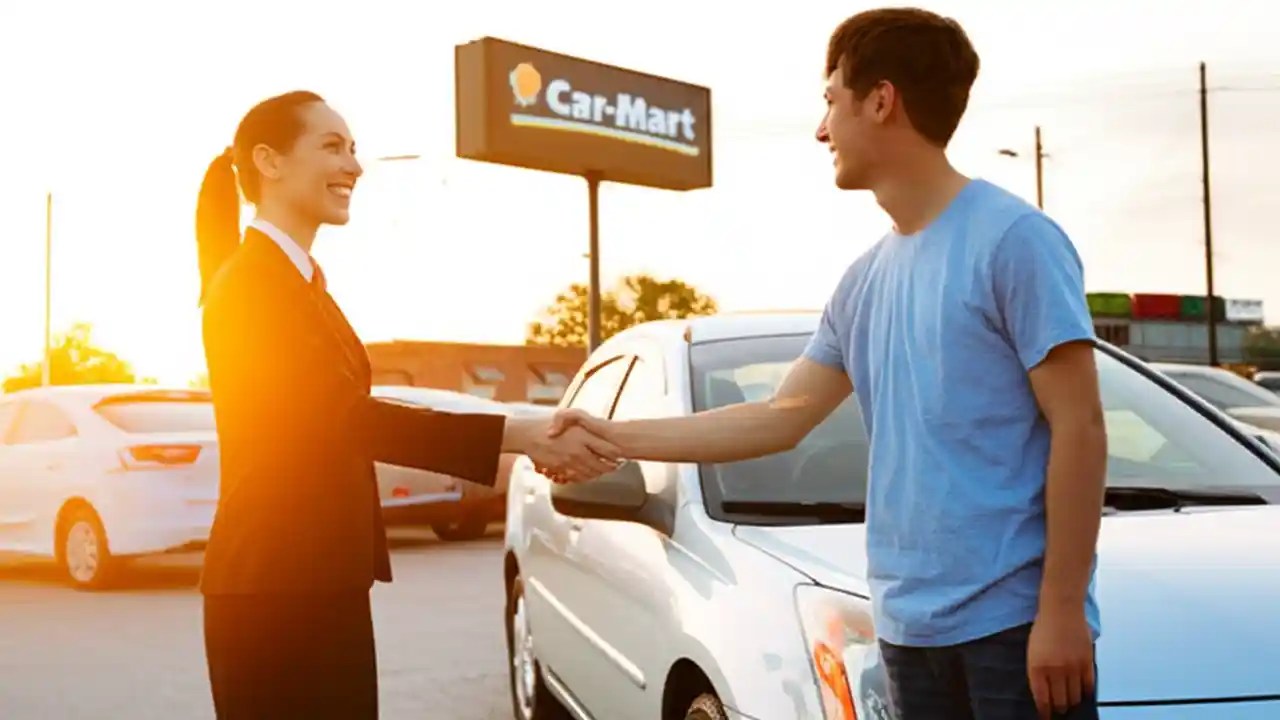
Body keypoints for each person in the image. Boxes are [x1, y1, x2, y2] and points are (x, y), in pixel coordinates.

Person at [547, 9, 1106, 720]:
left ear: (881, 99)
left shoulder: (1016, 241)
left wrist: (1059, 612)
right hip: (906, 631)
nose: (821, 130)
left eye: (830, 103)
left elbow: (1081, 428)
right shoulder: (864, 279)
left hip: (1012, 629)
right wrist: (612, 436)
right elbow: (778, 418)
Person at [194, 90, 619, 719]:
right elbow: (343, 420)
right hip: (276, 596)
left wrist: (519, 432)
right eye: (332, 147)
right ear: (269, 161)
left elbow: (338, 413)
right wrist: (520, 433)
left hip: (312, 584)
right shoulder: (253, 286)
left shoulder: (295, 281)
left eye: (354, 149)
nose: (355, 167)